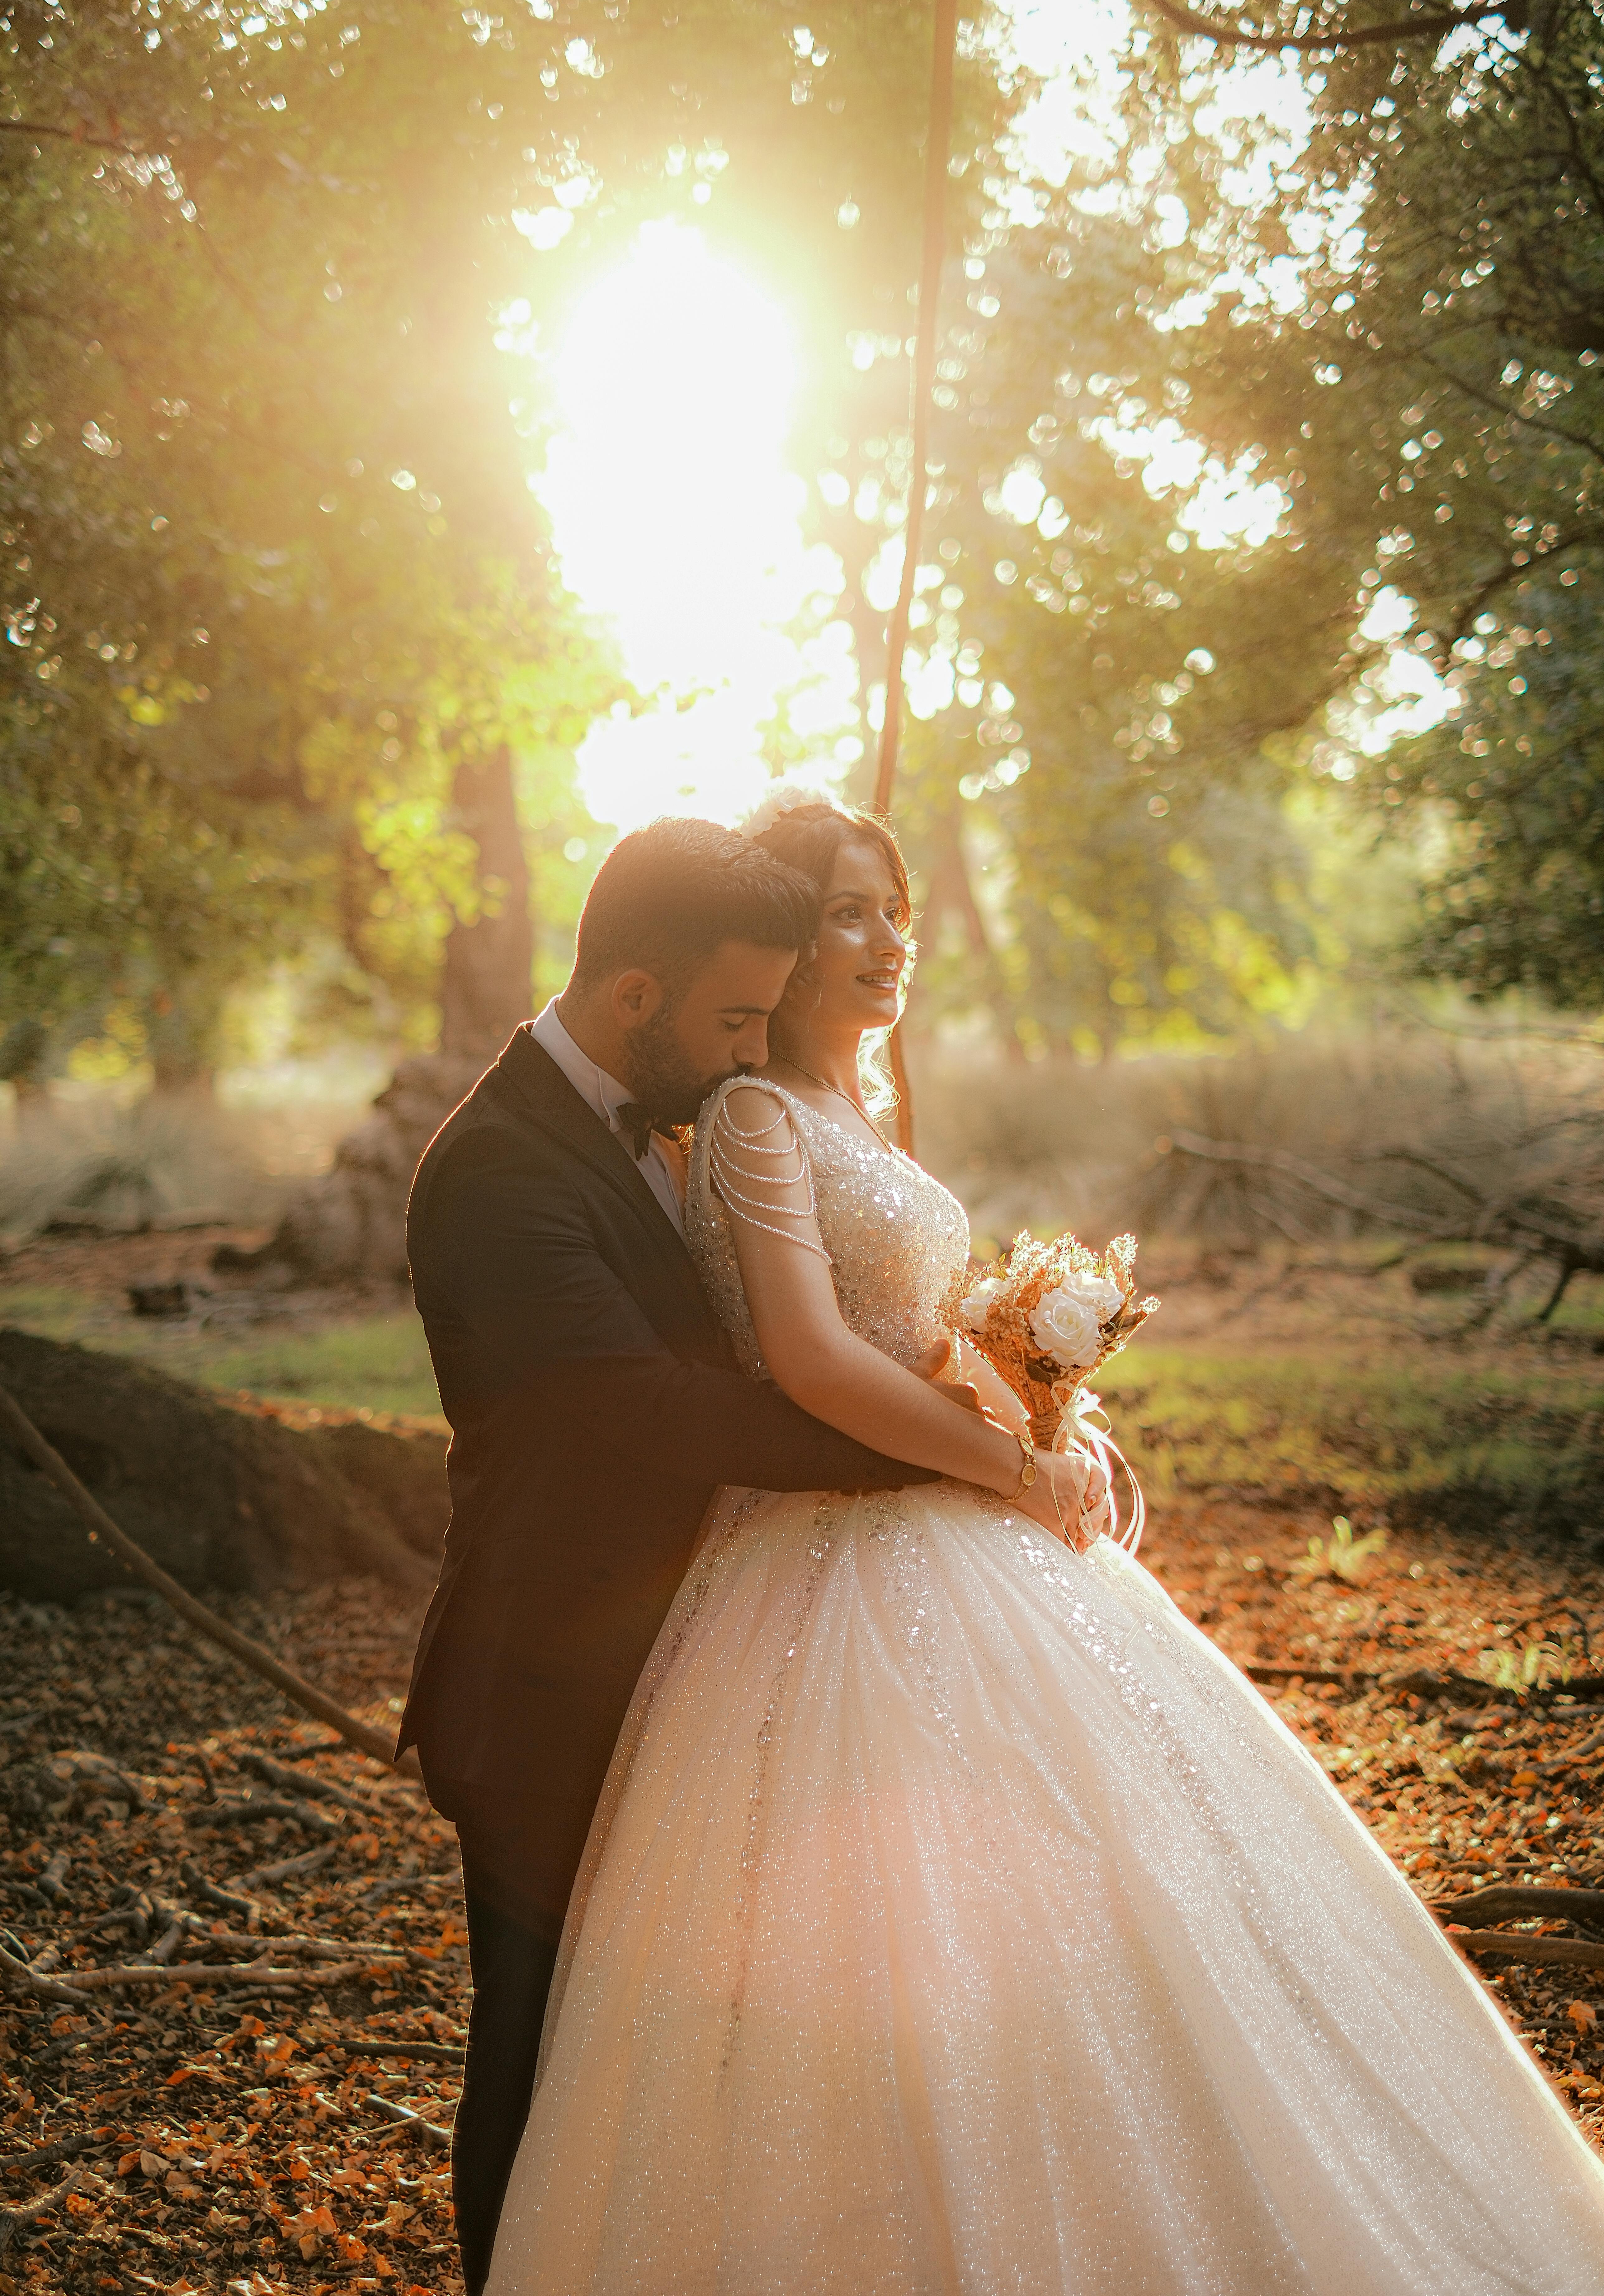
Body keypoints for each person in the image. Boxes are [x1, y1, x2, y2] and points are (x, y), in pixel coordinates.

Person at [485, 788, 1604, 2296]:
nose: (888, 941)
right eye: (846, 914)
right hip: (822, 1553)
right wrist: (1013, 1465)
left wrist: (1038, 1402)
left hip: (939, 1498)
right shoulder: (753, 1116)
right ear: (781, 947)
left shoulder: (855, 1113)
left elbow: (911, 1335)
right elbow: (810, 1361)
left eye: (896, 911)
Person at [398, 814, 1091, 2295]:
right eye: (729, 1019)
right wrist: (951, 1459)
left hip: (705, 1637)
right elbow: (661, 1411)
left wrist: (1002, 1396)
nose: (745, 1048)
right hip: (547, 1678)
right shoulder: (499, 1171)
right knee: (542, 2042)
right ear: (636, 996)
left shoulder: (669, 1108)